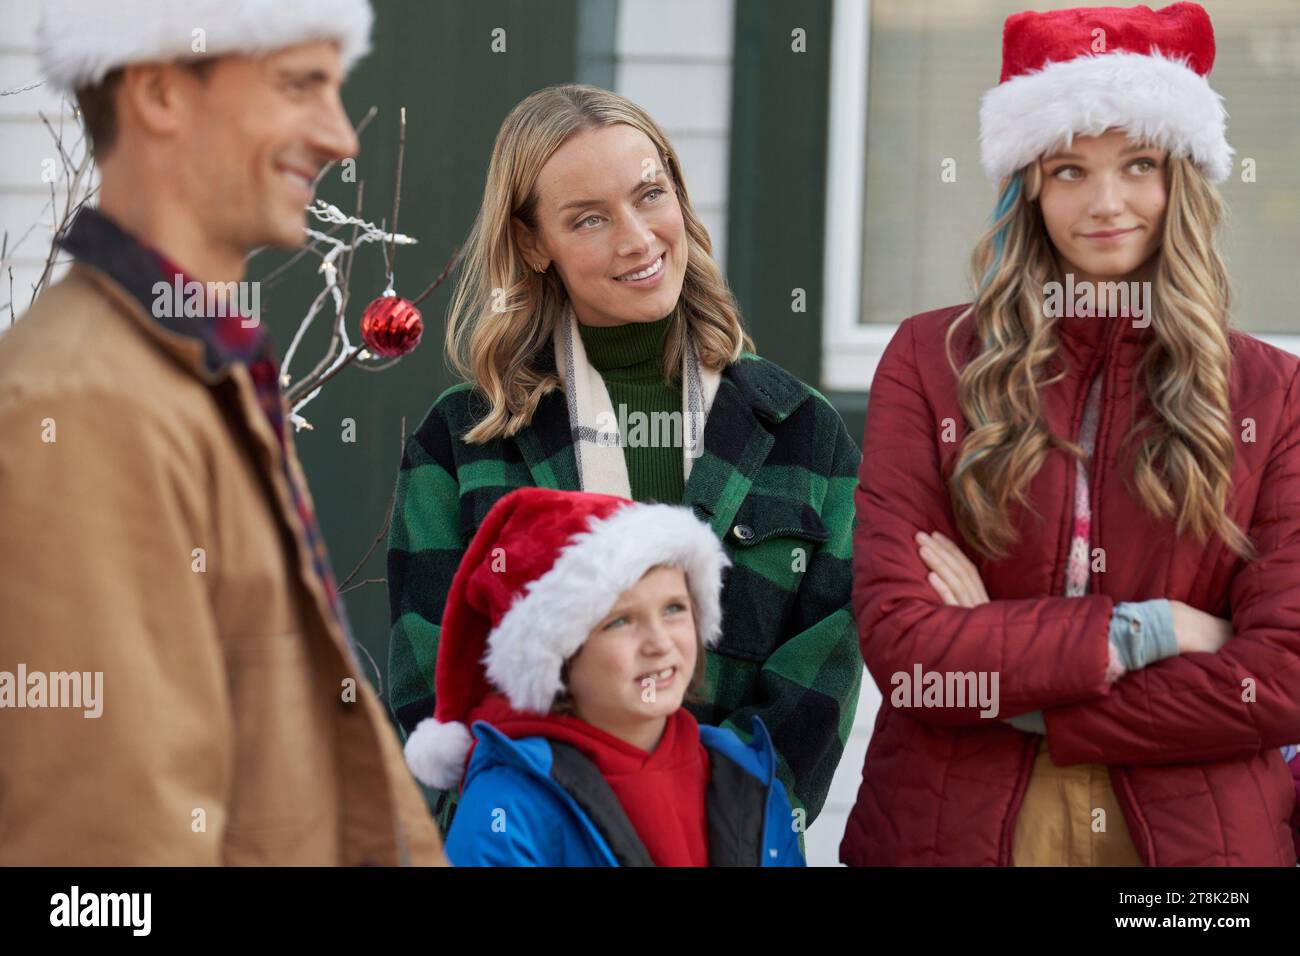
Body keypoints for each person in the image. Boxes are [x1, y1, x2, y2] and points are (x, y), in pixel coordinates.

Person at [841, 3, 1300, 866]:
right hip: (956, 829)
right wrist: (1154, 627)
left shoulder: (1273, 394)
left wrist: (1021, 678)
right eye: (1068, 171)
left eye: (1138, 165)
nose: (1106, 203)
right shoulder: (930, 361)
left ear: (1181, 181)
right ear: (1030, 187)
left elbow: (1279, 678)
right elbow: (906, 651)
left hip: (1197, 850)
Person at [0, 0, 445, 865]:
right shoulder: (84, 403)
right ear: (162, 91)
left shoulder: (197, 375)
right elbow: (102, 851)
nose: (341, 138)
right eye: (299, 86)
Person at [386, 84, 862, 836]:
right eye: (589, 219)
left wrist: (710, 816)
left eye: (650, 195)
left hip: (729, 843)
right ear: (535, 242)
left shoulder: (800, 430)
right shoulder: (465, 439)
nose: (638, 239)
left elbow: (822, 671)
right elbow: (430, 674)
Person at [403, 487, 804, 866]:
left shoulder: (749, 779)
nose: (659, 643)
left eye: (674, 609)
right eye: (621, 621)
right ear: (556, 654)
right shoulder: (506, 809)